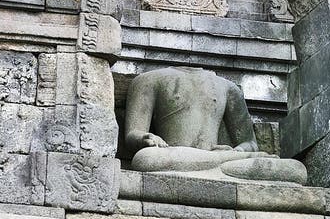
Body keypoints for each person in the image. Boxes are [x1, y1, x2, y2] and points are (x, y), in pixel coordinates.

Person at [125, 66, 308, 184]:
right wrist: (145, 137)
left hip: (195, 160)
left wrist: (239, 152)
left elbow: (250, 143)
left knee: (296, 170)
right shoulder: (149, 79)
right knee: (146, 159)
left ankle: (221, 165)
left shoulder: (228, 88)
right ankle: (224, 165)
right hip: (172, 154)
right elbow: (132, 133)